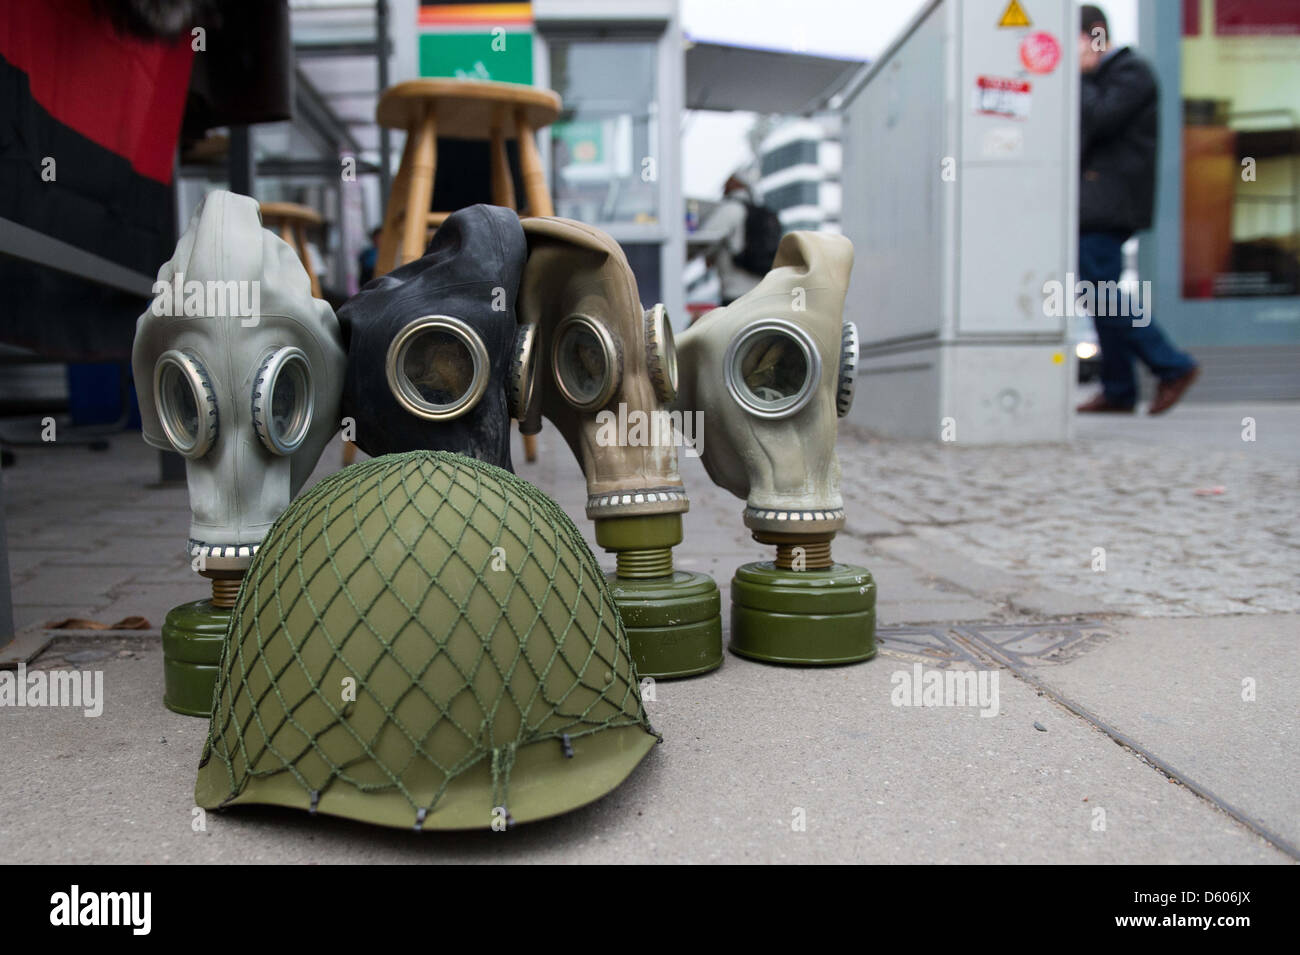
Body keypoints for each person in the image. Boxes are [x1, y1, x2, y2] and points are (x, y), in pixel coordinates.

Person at [1076, 4, 1199, 415]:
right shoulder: (1108, 76)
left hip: (1110, 202)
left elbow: (1099, 119)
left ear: (1094, 35)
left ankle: (1172, 365)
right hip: (1097, 201)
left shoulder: (1131, 72)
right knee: (1097, 291)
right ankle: (1119, 389)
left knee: (1101, 288)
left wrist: (1082, 75)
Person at [702, 174, 763, 306]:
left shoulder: (731, 209)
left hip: (735, 292)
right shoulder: (761, 213)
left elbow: (705, 238)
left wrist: (708, 257)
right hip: (761, 293)